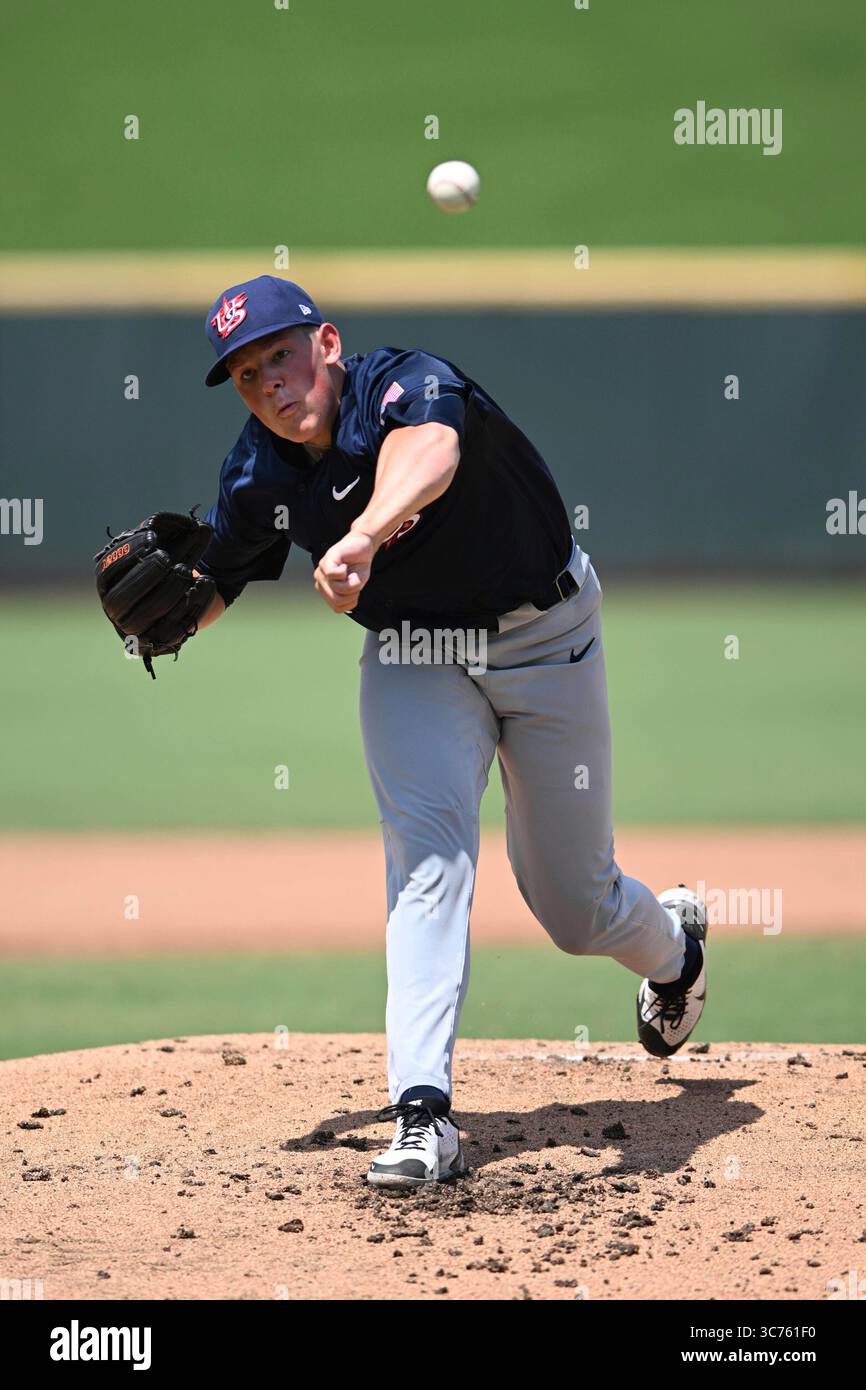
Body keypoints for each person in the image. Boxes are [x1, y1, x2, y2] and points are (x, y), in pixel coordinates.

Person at [194, 274, 708, 1189]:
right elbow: (215, 581)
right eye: (245, 374)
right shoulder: (257, 473)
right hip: (415, 653)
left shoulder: (406, 383)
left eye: (279, 355)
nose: (269, 383)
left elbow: (431, 449)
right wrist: (163, 621)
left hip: (546, 637)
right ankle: (422, 1115)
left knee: (575, 907)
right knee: (429, 859)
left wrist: (362, 535)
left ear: (327, 344)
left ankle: (675, 951)